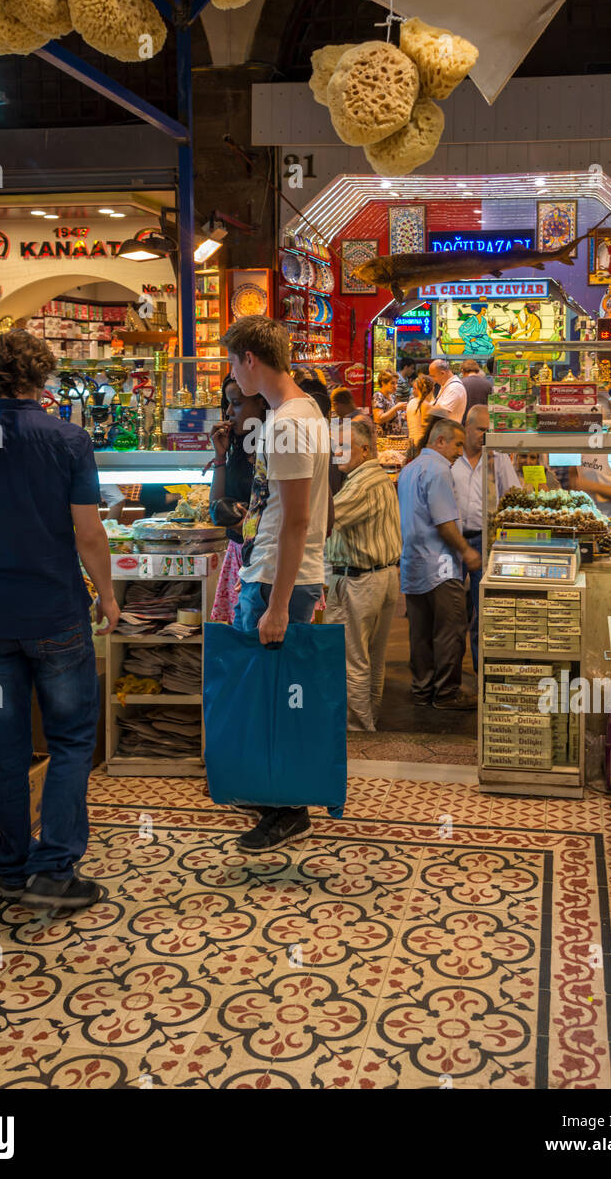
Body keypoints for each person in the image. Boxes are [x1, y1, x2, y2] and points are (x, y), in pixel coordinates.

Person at [0, 329, 120, 912]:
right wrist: (108, 596)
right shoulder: (66, 440)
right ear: (43, 378)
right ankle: (54, 870)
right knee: (67, 740)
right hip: (56, 615)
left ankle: (8, 864)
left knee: (4, 744)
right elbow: (89, 533)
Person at [223, 315, 330, 852]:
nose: (231, 375)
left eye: (232, 362)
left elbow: (296, 520)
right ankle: (278, 803)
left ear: (251, 360)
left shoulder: (288, 422)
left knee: (271, 697)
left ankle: (285, 810)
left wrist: (281, 603)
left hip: (273, 577)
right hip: (283, 572)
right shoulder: (305, 409)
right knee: (276, 694)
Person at [398, 417, 481, 710]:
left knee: (420, 632)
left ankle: (423, 689)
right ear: (440, 441)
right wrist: (467, 552)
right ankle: (446, 693)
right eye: (457, 444)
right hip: (440, 566)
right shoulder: (439, 470)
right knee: (450, 630)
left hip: (414, 563)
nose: (460, 451)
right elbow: (445, 522)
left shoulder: (409, 470)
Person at [326, 418, 402, 731]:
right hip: (382, 578)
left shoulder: (361, 484)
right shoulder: (377, 478)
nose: (336, 454)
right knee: (373, 658)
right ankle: (370, 717)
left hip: (361, 581)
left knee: (353, 660)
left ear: (366, 449)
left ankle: (358, 728)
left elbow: (325, 518)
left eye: (343, 448)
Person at [451, 405, 519, 670]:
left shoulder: (499, 458)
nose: (485, 435)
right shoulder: (451, 457)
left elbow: (511, 496)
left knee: (484, 610)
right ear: (467, 427)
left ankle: (482, 672)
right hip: (452, 542)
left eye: (490, 430)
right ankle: (451, 676)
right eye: (481, 429)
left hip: (484, 541)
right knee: (454, 612)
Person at [208, 375, 267, 624]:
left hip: (266, 555)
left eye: (238, 403)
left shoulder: (276, 445)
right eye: (228, 403)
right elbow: (216, 505)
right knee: (241, 637)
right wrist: (220, 456)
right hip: (238, 553)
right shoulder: (240, 447)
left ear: (262, 403)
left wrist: (251, 525)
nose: (230, 411)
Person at [427, 356, 467, 423]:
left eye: (433, 376)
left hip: (449, 431)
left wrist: (424, 407)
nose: (433, 380)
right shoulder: (445, 385)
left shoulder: (455, 387)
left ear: (443, 373)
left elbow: (442, 412)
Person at [406, 373, 435, 450]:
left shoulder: (411, 402)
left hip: (411, 443)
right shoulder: (425, 405)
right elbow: (425, 429)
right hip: (421, 445)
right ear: (432, 389)